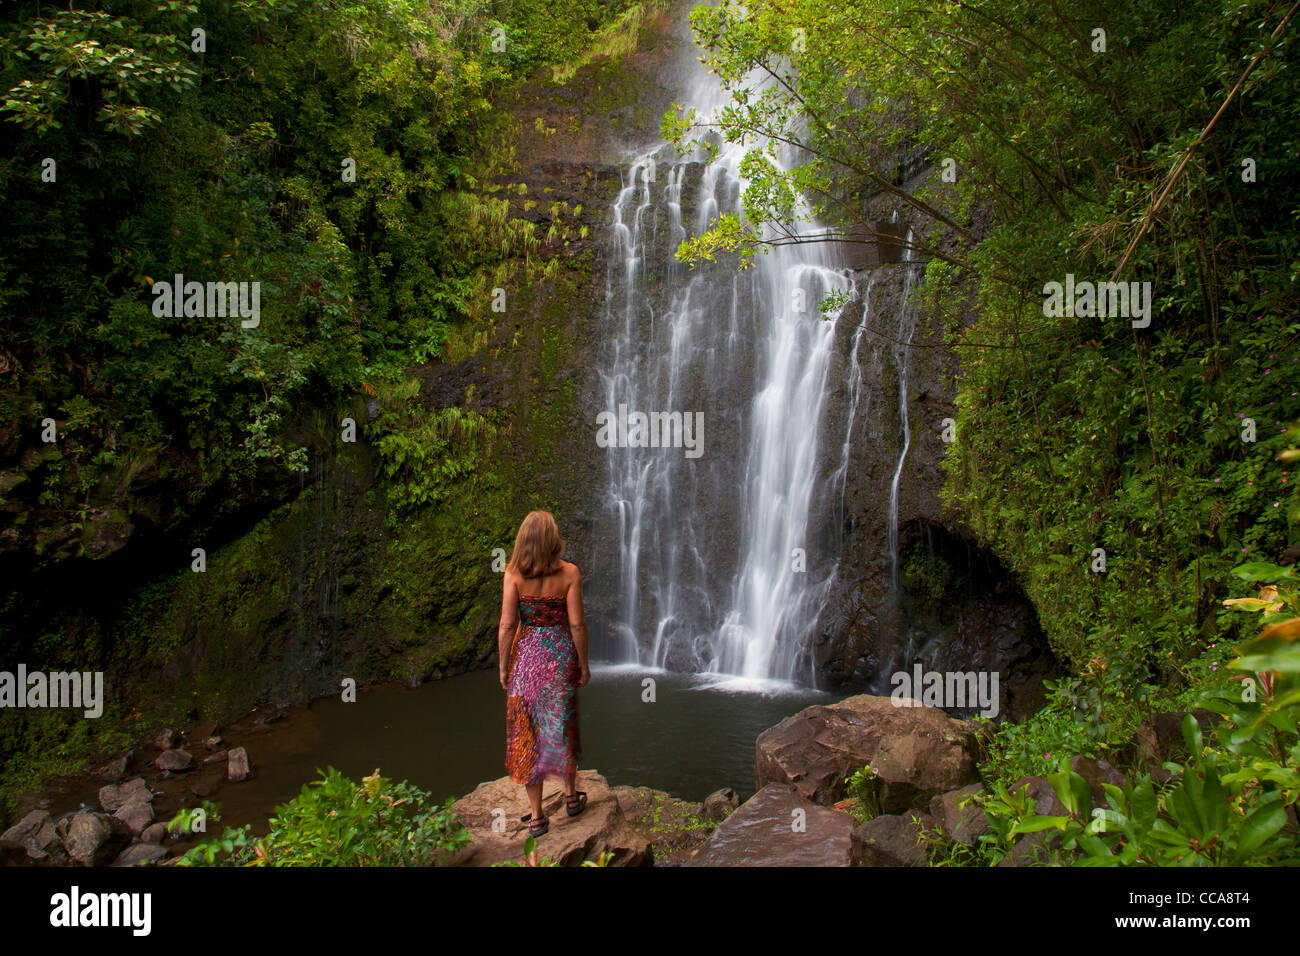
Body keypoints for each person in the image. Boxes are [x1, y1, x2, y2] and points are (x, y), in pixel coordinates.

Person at [498, 510, 591, 837]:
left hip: (525, 659)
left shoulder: (512, 574)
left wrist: (504, 665)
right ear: (553, 540)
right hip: (560, 656)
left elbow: (508, 625)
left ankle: (537, 816)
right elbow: (577, 624)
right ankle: (570, 797)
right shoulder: (569, 574)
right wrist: (583, 662)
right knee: (560, 723)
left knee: (527, 734)